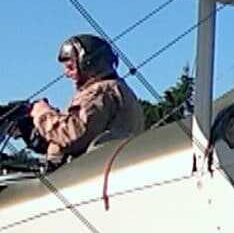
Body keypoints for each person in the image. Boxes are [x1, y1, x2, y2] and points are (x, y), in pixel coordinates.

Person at [24, 35, 145, 163]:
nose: (66, 74)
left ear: (87, 63)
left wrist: (41, 113)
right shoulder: (116, 90)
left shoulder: (100, 92)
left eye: (70, 67)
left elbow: (73, 136)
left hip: (89, 174)